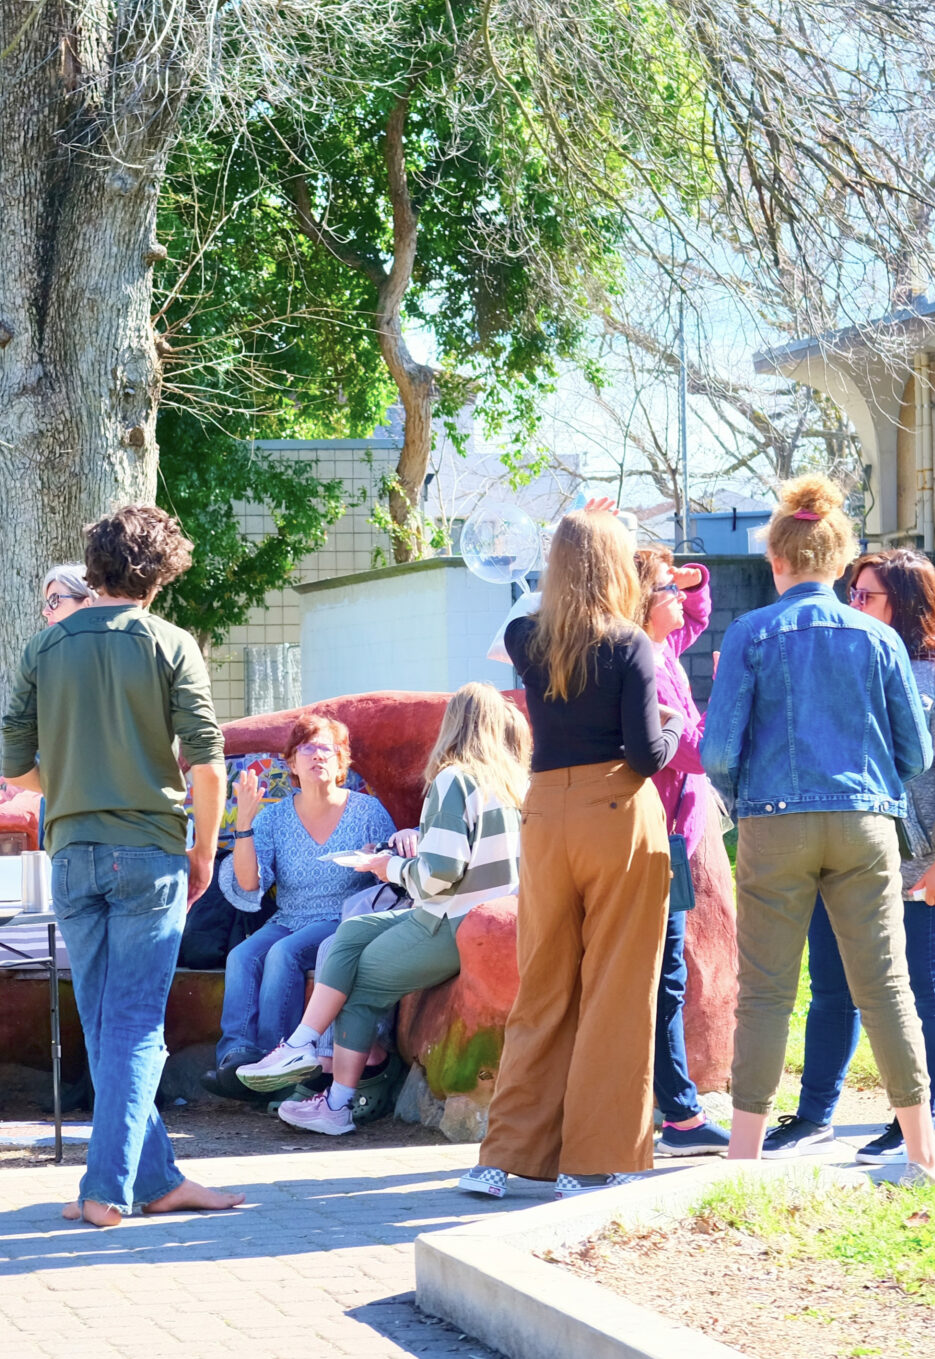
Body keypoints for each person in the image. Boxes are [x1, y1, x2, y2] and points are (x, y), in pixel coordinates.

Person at [700, 476, 935, 1187]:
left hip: (773, 826)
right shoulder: (878, 638)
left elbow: (717, 752)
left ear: (776, 561)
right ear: (842, 566)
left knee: (767, 991)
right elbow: (918, 753)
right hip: (865, 822)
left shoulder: (750, 633)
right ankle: (924, 1155)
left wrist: (749, 789)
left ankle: (743, 1163)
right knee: (888, 986)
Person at [1, 505, 242, 1228]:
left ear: (96, 563)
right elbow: (206, 760)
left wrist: (73, 789)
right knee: (135, 1026)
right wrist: (203, 849)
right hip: (151, 853)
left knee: (110, 1022)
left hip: (71, 854)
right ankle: (107, 1190)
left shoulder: (45, 647)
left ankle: (159, 1178)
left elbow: (16, 764)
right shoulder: (171, 644)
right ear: (160, 572)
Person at [462, 509, 682, 1200]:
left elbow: (525, 608)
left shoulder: (528, 636)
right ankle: (599, 1157)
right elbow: (646, 755)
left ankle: (500, 1158)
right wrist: (672, 729)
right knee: (619, 988)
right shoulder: (630, 645)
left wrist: (571, 532)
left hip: (545, 816)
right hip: (616, 812)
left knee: (543, 985)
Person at [765, 548, 935, 1165]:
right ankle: (814, 1118)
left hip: (921, 866)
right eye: (852, 593)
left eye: (866, 596)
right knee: (832, 990)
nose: (852, 605)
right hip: (844, 856)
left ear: (907, 602)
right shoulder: (855, 659)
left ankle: (913, 1123)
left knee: (919, 988)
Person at [243, 683, 527, 1137]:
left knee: (356, 988)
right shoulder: (515, 782)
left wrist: (388, 866)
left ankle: (336, 1105)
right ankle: (300, 1044)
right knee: (348, 935)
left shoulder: (454, 778)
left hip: (449, 920)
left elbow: (439, 875)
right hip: (482, 914)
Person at [209, 714, 395, 1092]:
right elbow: (249, 882)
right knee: (243, 956)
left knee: (284, 954)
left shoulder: (367, 811)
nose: (317, 756)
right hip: (289, 915)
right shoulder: (275, 817)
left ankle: (273, 1064)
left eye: (326, 748)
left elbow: (392, 876)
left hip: (342, 917)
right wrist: (243, 822)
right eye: (306, 748)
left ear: (341, 760)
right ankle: (237, 1055)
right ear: (291, 763)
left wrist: (377, 857)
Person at [634, 546, 730, 1157]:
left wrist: (694, 579)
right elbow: (691, 748)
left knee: (665, 974)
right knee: (663, 978)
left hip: (674, 836)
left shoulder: (660, 647)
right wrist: (728, 701)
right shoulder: (642, 660)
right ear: (642, 602)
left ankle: (674, 1112)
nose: (680, 598)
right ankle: (680, 1118)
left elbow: (694, 617)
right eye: (667, 590)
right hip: (655, 839)